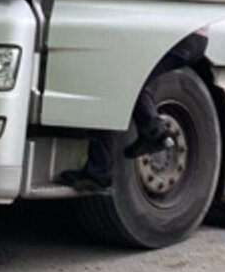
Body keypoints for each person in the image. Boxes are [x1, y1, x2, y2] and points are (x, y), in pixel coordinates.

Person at [58, 35, 204, 194]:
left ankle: (100, 173)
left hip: (176, 36)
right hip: (187, 36)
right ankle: (152, 130)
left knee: (116, 81)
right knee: (130, 80)